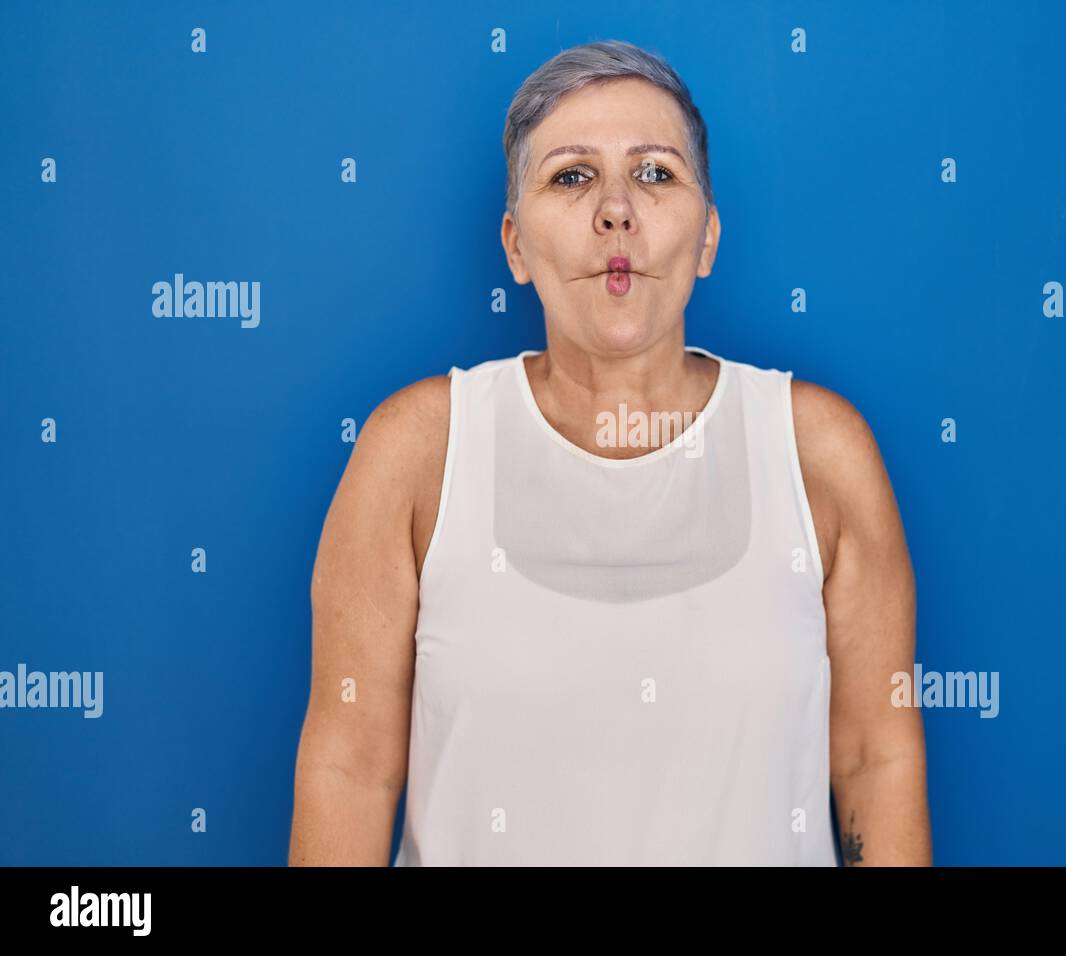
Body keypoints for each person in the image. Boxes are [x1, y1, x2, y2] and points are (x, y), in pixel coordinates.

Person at [289, 39, 930, 866]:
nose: (617, 209)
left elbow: (875, 757)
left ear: (707, 239)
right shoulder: (415, 451)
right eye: (572, 175)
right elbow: (352, 765)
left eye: (656, 173)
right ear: (515, 247)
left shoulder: (819, 451)